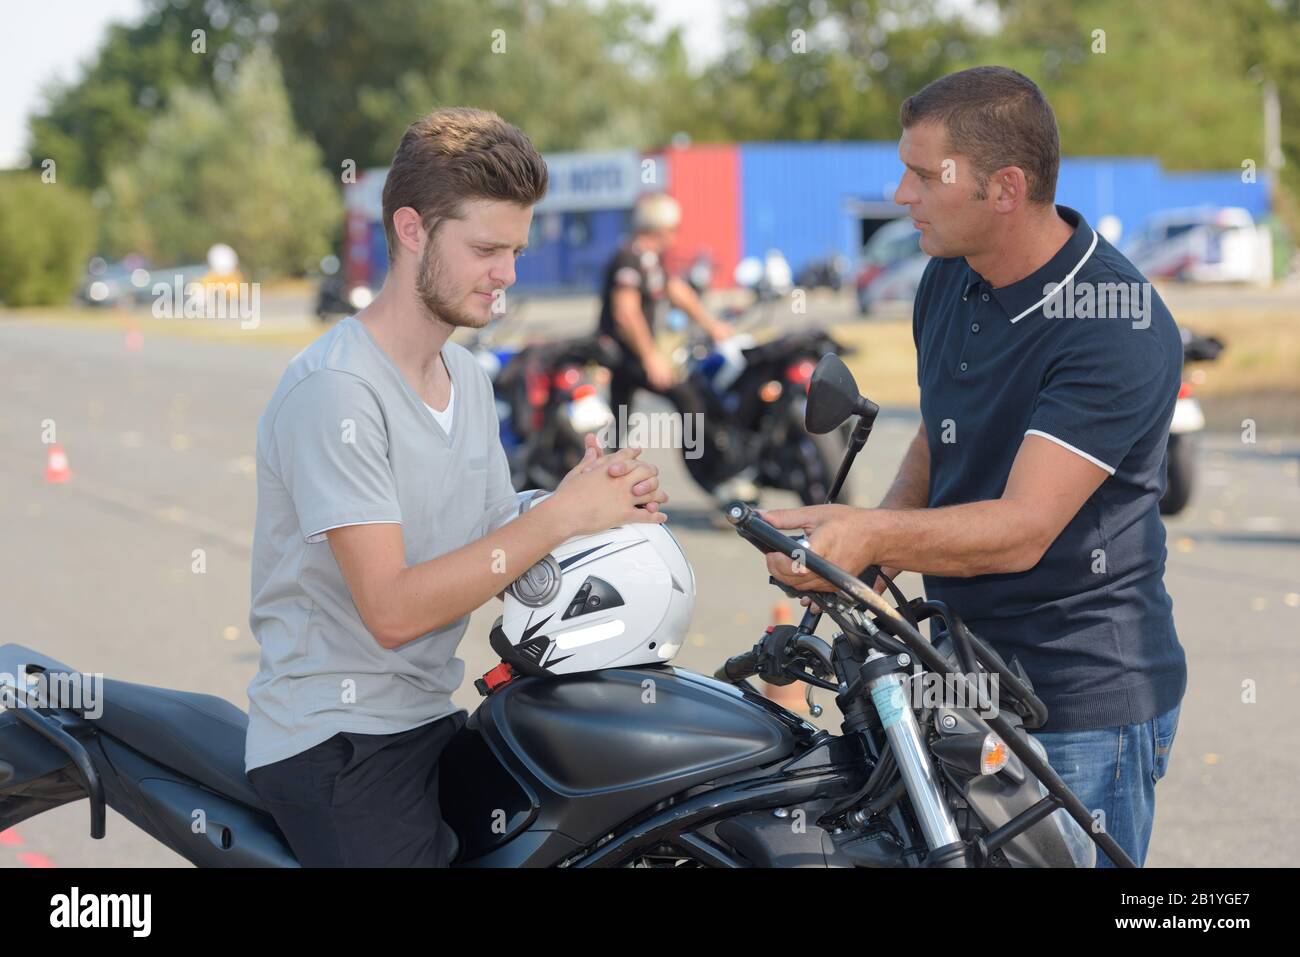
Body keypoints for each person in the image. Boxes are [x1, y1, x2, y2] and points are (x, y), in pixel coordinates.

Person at [764, 67, 1185, 868]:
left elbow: (1024, 529)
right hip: (961, 677)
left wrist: (871, 531)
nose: (901, 192)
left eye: (924, 175)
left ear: (1005, 188)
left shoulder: (1113, 323)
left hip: (1080, 701)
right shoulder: (950, 276)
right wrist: (870, 555)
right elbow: (941, 430)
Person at [243, 107, 669, 867]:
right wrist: (560, 517)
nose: (507, 274)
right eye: (485, 249)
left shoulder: (467, 376)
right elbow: (394, 609)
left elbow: (491, 537)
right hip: (335, 742)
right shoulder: (337, 390)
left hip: (425, 715)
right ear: (412, 230)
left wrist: (582, 503)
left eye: (515, 249)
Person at [597, 193, 752, 503]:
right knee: (689, 400)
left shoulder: (650, 260)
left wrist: (712, 326)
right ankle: (721, 480)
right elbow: (625, 313)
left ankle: (601, 480)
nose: (676, 235)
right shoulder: (629, 258)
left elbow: (677, 291)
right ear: (660, 229)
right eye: (674, 228)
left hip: (630, 357)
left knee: (620, 421)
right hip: (625, 355)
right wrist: (651, 357)